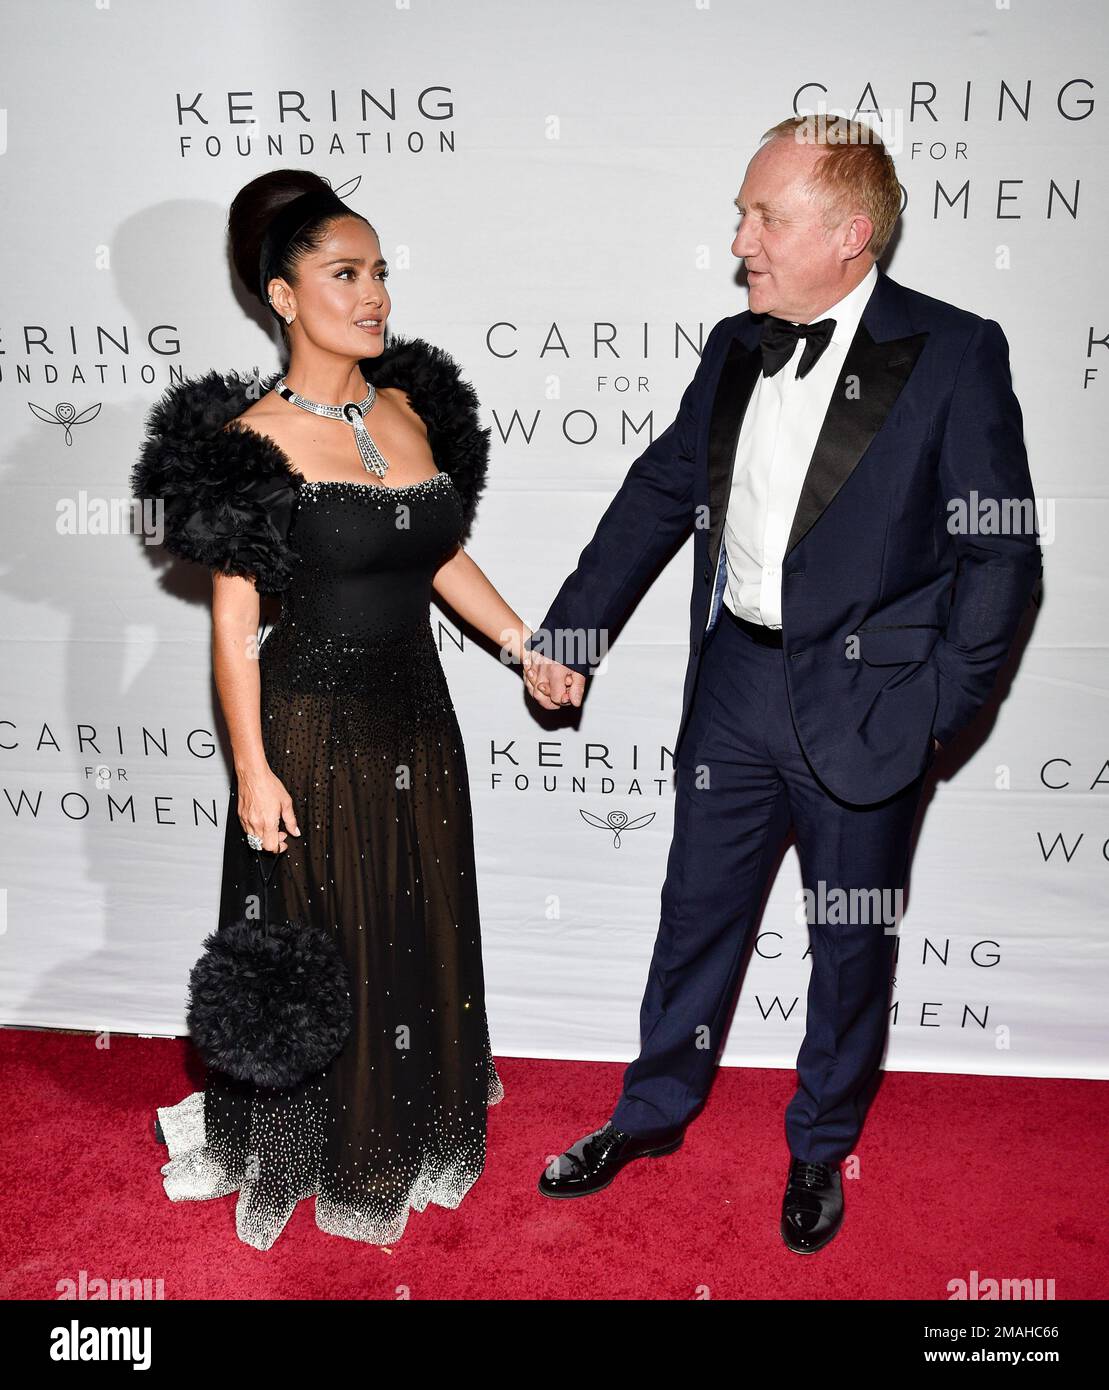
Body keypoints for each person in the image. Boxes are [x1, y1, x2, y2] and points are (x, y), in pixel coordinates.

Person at [523, 115, 1041, 1253]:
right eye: (742, 213)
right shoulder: (731, 343)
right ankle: (651, 1111)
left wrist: (938, 713)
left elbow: (999, 549)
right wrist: (574, 629)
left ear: (848, 234)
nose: (739, 239)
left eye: (765, 215)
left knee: (848, 941)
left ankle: (818, 1146)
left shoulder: (951, 352)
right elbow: (660, 491)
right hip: (733, 692)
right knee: (692, 920)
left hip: (869, 708)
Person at [134, 169, 535, 1250]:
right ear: (280, 293)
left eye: (380, 272)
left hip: (418, 715)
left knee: (413, 923)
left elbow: (439, 552)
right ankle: (315, 1146)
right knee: (329, 936)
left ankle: (405, 1125)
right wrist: (254, 770)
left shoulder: (407, 410)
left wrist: (523, 647)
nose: (375, 297)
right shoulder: (247, 444)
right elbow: (231, 630)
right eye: (344, 273)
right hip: (312, 728)